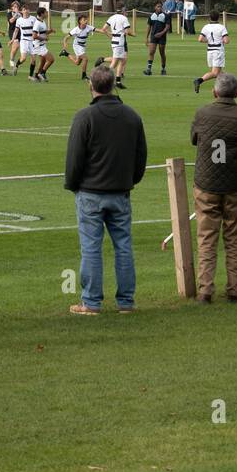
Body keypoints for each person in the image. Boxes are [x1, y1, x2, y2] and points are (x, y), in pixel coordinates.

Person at [64, 64, 147, 315]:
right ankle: (126, 301)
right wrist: (130, 180)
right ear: (112, 85)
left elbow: (75, 158)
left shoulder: (84, 117)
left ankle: (91, 301)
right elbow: (141, 156)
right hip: (120, 191)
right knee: (123, 246)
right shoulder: (132, 116)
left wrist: (73, 183)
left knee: (91, 247)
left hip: (91, 191)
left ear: (91, 86)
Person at [190, 72, 237, 302]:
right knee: (235, 238)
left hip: (206, 183)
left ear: (214, 92)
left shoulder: (202, 113)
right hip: (234, 183)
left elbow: (194, 139)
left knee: (207, 237)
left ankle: (205, 289)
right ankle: (235, 289)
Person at [194, 10, 229, 93]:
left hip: (210, 51)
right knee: (215, 73)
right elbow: (226, 40)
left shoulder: (206, 27)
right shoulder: (221, 27)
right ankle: (199, 80)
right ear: (218, 17)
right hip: (218, 51)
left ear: (209, 17)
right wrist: (222, 40)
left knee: (219, 73)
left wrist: (208, 40)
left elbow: (200, 39)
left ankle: (221, 88)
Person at [97, 7, 130, 89]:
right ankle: (104, 79)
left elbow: (104, 29)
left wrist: (111, 36)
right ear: (123, 11)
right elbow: (126, 32)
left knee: (122, 61)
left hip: (114, 41)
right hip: (120, 42)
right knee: (115, 62)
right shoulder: (124, 18)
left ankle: (118, 81)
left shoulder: (112, 17)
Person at [60, 14, 95, 79]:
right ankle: (84, 75)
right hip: (77, 46)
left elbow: (99, 30)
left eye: (86, 19)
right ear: (80, 21)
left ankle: (65, 54)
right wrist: (64, 47)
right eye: (84, 20)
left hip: (83, 46)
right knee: (85, 59)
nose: (86, 21)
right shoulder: (75, 29)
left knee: (77, 62)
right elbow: (65, 38)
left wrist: (106, 31)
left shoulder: (88, 27)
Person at [144, 1, 171, 76]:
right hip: (153, 36)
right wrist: (146, 37)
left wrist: (161, 33)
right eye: (158, 6)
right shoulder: (151, 16)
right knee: (151, 52)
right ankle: (148, 69)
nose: (159, 8)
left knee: (162, 53)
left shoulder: (165, 15)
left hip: (162, 37)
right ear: (155, 7)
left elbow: (167, 27)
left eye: (160, 6)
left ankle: (163, 69)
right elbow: (149, 27)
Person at [30, 6, 55, 82]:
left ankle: (36, 76)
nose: (47, 13)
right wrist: (44, 38)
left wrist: (50, 31)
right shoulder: (37, 23)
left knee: (43, 61)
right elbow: (34, 36)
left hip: (42, 45)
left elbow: (43, 32)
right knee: (51, 59)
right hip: (38, 46)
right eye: (46, 12)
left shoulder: (42, 21)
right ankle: (42, 73)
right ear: (41, 14)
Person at [12, 3, 35, 74]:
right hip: (24, 41)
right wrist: (12, 40)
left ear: (29, 10)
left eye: (27, 9)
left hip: (32, 41)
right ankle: (17, 65)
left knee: (33, 60)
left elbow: (36, 30)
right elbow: (16, 31)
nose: (26, 11)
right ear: (21, 11)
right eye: (24, 10)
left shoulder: (33, 19)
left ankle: (31, 75)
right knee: (23, 59)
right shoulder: (19, 20)